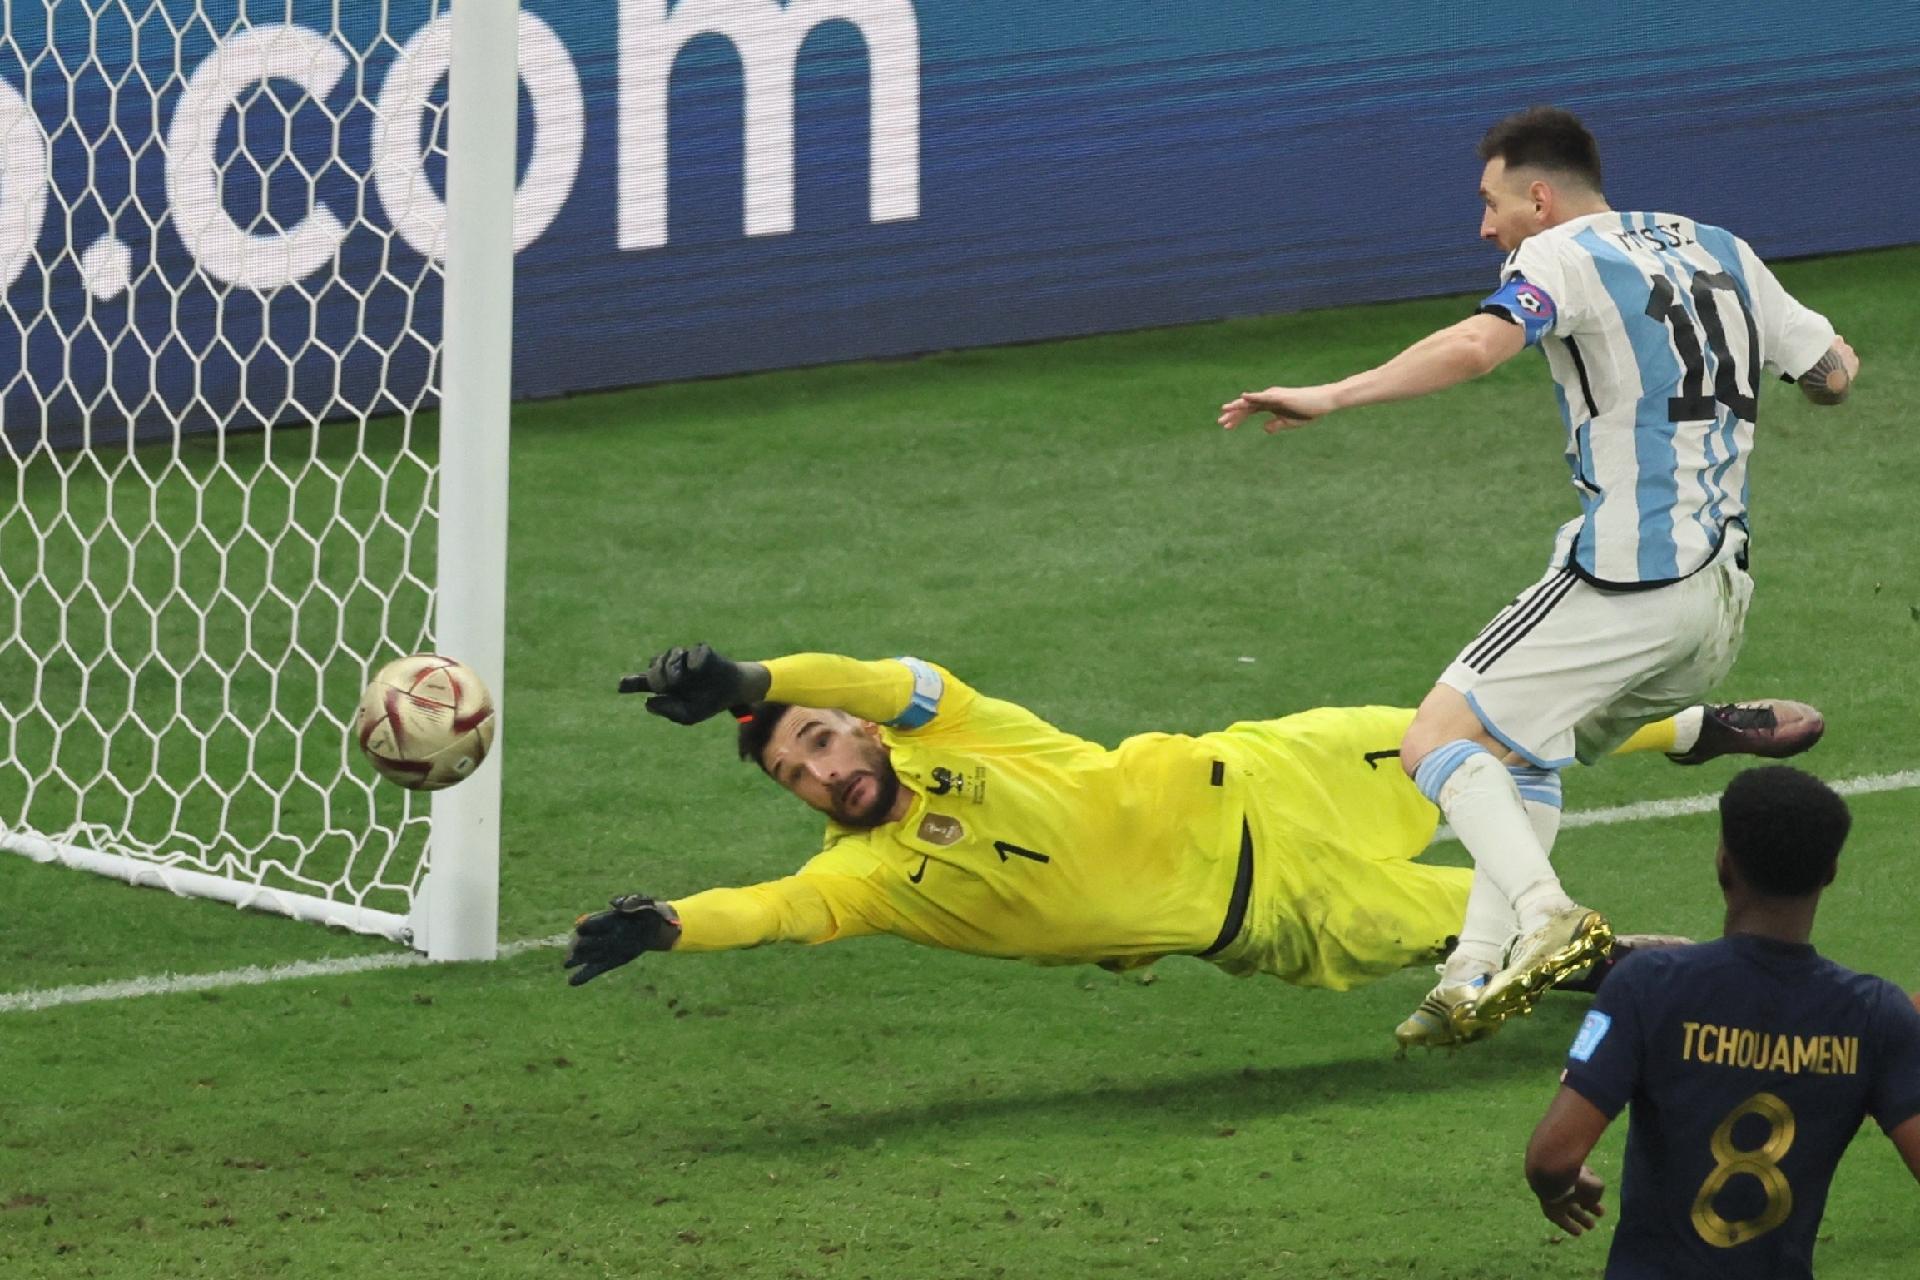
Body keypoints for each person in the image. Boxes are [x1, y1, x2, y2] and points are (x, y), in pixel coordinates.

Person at [1216, 105, 1855, 1047]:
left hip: (1630, 576)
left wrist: (1334, 394)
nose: (1486, 228)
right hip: (1721, 600)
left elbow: (1480, 346)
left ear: (1540, 197)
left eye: (1491, 202)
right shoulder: (1721, 247)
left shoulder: (1557, 257)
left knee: (1434, 739)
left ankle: (1545, 913)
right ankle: (1472, 970)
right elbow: (1835, 371)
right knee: (1524, 749)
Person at [562, 646, 1816, 1020]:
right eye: (795, 769)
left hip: (1266, 773)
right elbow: (775, 909)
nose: (824, 766)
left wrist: (744, 678)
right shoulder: (876, 881)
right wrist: (669, 923)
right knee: (1523, 948)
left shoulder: (964, 727)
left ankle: (1691, 727)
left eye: (823, 737)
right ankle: (1693, 978)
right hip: (1275, 918)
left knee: (1475, 727)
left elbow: (879, 679)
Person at [1522, 767, 1920, 1277]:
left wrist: (1558, 1189)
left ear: (1723, 865)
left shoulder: (1647, 985)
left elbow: (1552, 1158)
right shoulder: (1874, 1015)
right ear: (1831, 873)